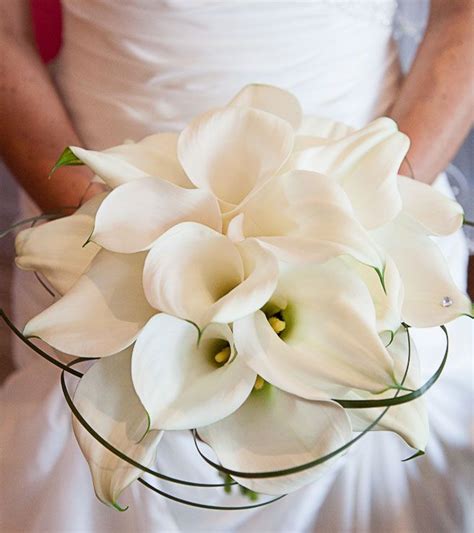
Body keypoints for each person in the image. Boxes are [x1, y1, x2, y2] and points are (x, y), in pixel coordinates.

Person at [0, 1, 472, 531]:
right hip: (90, 209)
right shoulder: (95, 225)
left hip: (367, 207)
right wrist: (105, 224)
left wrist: (373, 208)